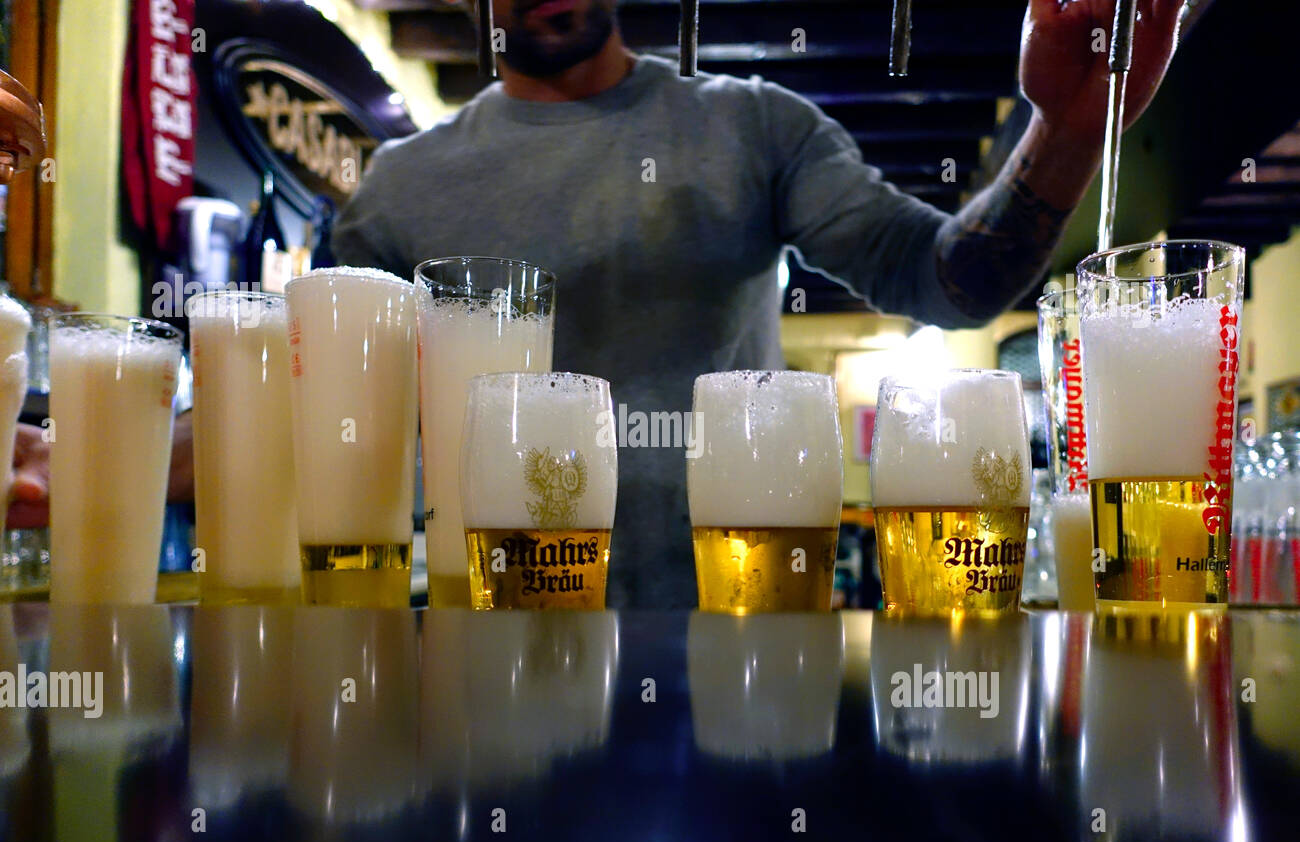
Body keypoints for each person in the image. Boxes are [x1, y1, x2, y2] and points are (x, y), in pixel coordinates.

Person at [7, 0, 1182, 610]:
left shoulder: (754, 125)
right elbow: (306, 414)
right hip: (485, 641)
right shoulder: (401, 188)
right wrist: (81, 471)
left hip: (735, 636)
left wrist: (1068, 127)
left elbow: (948, 279)